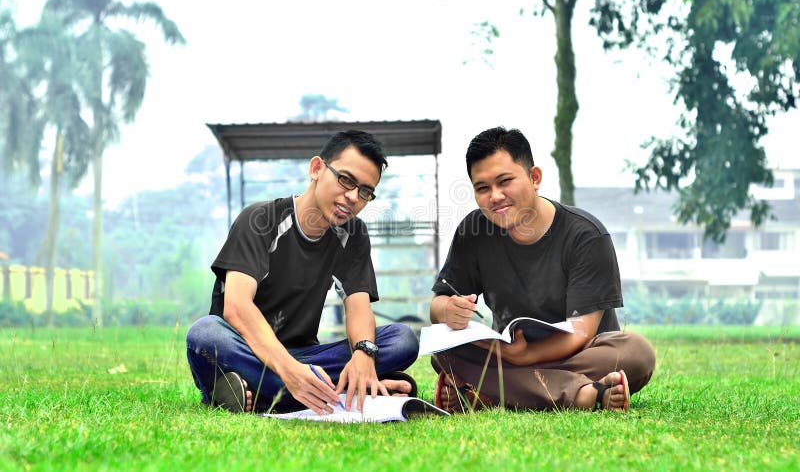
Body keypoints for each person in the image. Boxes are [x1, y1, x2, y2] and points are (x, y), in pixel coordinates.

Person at [186, 130, 419, 414]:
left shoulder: (352, 233)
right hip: (245, 348)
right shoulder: (261, 220)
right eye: (346, 180)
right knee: (205, 334)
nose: (352, 197)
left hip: (305, 357)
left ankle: (260, 394)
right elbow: (236, 308)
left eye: (365, 191)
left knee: (402, 339)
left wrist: (364, 352)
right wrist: (290, 372)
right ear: (317, 169)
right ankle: (335, 391)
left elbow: (358, 306)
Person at [429, 126, 655, 412]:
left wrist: (528, 357)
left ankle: (486, 392)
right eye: (482, 188)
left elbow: (580, 332)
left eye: (505, 181)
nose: (495, 196)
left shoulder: (585, 234)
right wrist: (447, 310)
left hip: (582, 354)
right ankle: (586, 395)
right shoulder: (473, 232)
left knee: (637, 352)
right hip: (509, 354)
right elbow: (437, 306)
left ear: (534, 178)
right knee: (443, 350)